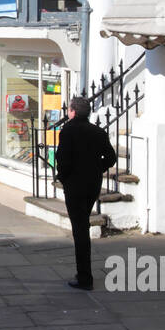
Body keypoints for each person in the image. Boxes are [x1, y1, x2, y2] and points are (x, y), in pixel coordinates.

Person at [55, 96, 117, 291]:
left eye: (69, 110)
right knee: (83, 225)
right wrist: (97, 167)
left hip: (75, 185)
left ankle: (84, 277)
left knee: (79, 230)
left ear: (73, 111)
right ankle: (84, 274)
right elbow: (111, 158)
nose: (67, 113)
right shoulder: (98, 132)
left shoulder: (68, 130)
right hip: (92, 184)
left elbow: (63, 160)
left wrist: (63, 177)